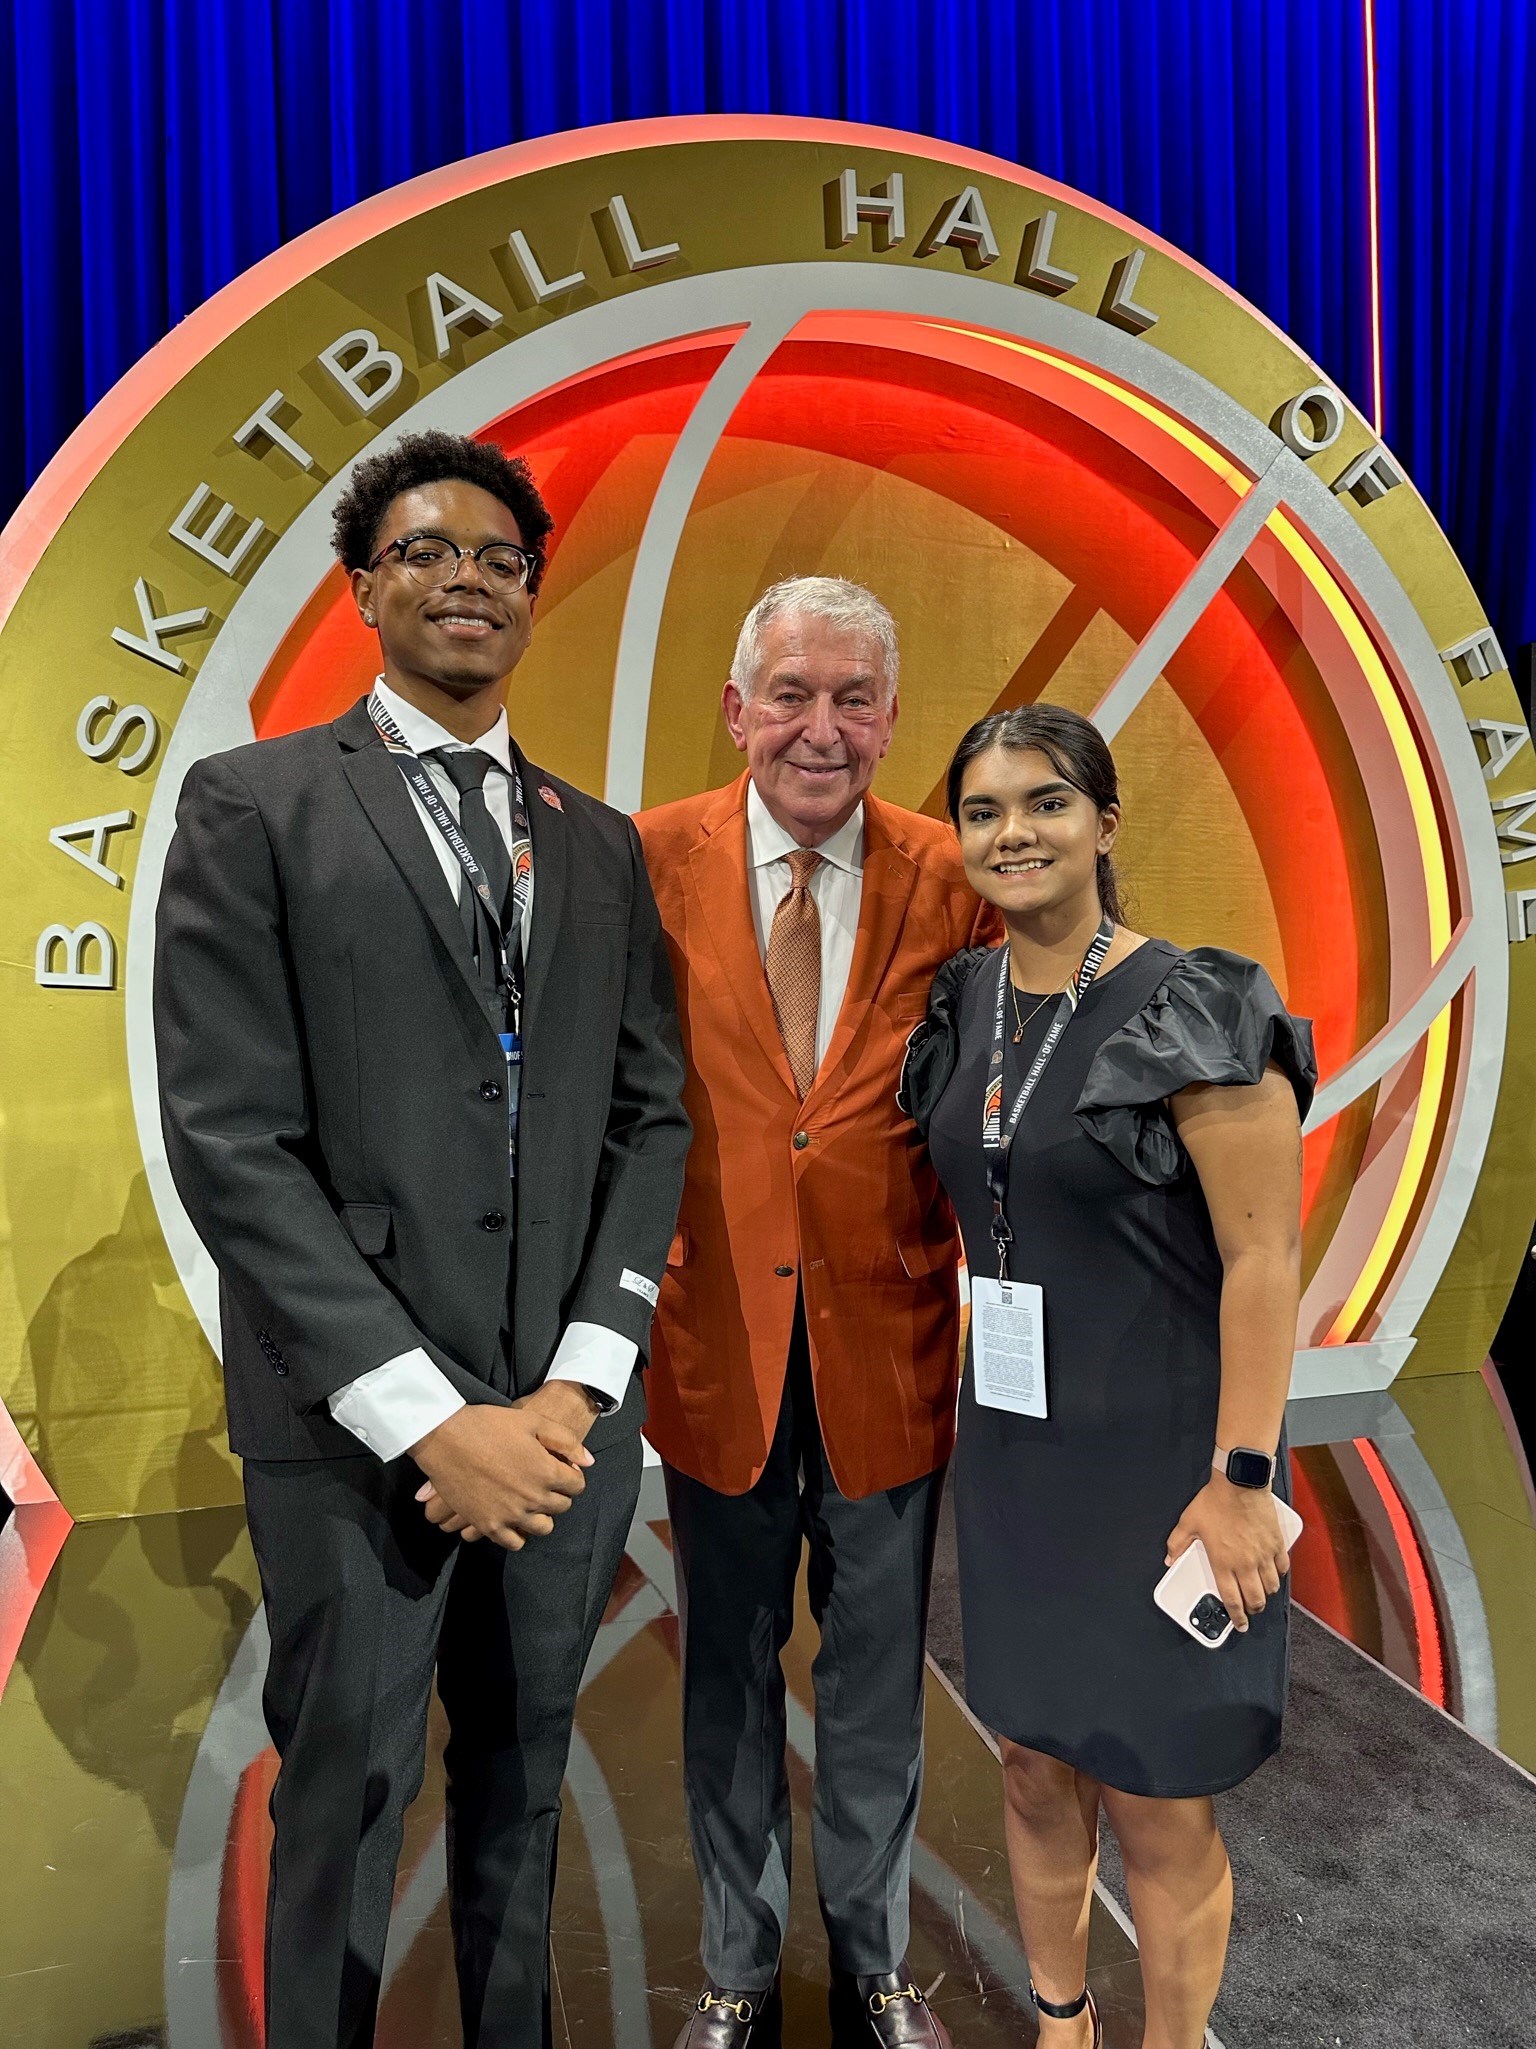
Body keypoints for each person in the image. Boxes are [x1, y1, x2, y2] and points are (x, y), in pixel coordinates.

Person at [154, 430, 689, 2049]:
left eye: (499, 558)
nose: (468, 578)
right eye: (427, 551)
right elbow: (232, 1141)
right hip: (352, 1425)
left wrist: (575, 1390)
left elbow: (650, 1118)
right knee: (346, 1790)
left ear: (531, 593)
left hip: (561, 1429)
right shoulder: (255, 803)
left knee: (526, 1777)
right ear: (363, 588)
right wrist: (431, 1418)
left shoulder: (595, 841)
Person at [902, 704, 1315, 2049]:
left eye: (1047, 802)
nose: (1012, 832)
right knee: (1032, 1763)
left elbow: (1264, 1259)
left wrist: (1242, 1479)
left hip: (1170, 1465)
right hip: (1020, 1456)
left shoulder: (1198, 1003)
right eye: (983, 810)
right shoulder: (964, 1000)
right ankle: (1063, 2024)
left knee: (1156, 1797)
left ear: (1105, 821)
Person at [636, 577, 996, 2049]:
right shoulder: (645, 857)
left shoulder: (953, 873)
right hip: (713, 1341)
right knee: (720, 1676)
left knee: (876, 1685)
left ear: (892, 716)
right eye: (792, 694)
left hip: (889, 1349)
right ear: (738, 709)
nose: (822, 729)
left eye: (854, 698)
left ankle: (877, 1964)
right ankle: (734, 1966)